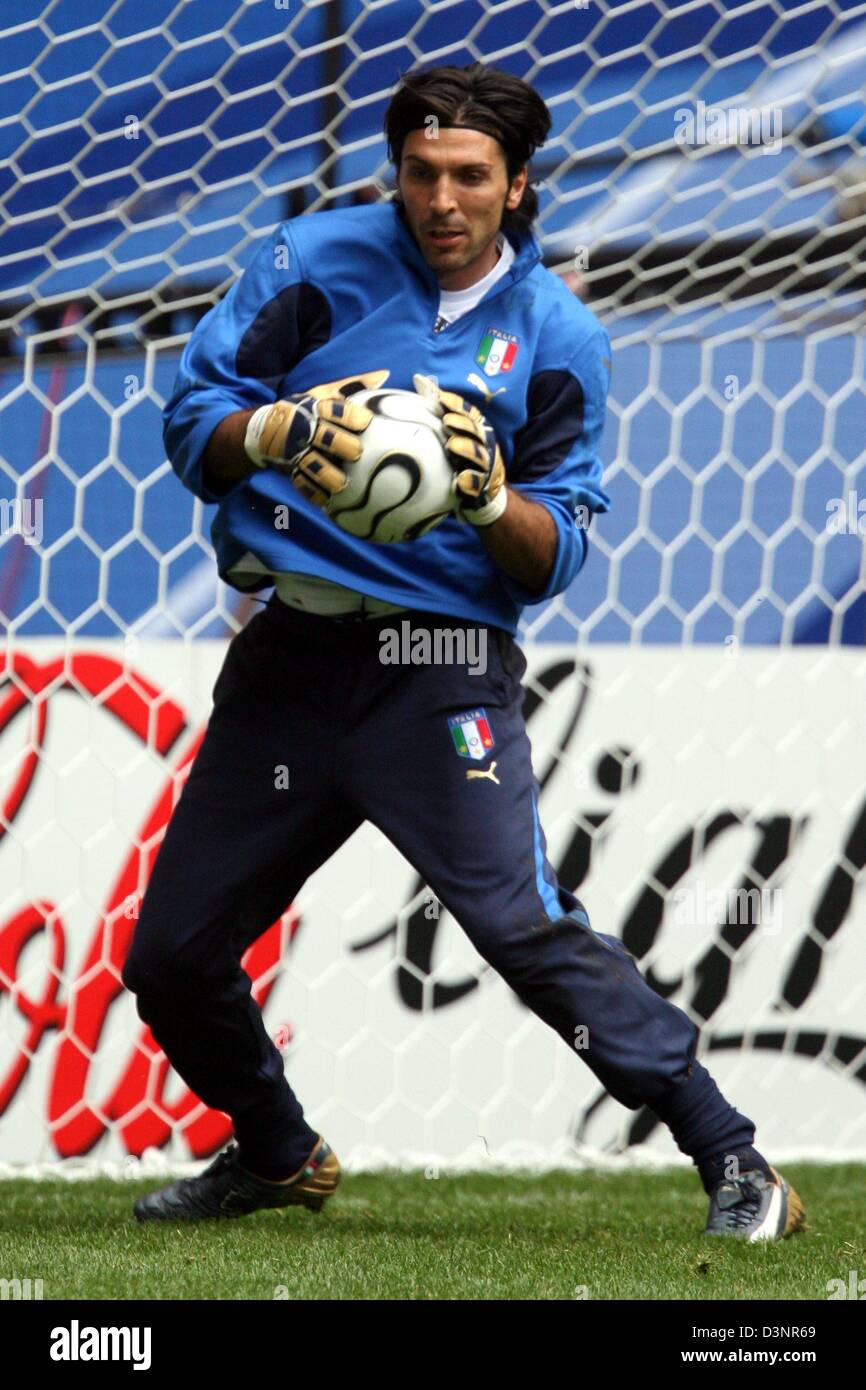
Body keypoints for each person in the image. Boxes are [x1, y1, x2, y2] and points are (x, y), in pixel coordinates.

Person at [123, 63, 804, 1240]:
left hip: (439, 673)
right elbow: (191, 426)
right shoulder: (308, 262)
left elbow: (554, 555)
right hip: (289, 661)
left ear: (517, 184)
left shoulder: (556, 334)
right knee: (171, 954)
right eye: (421, 174)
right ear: (396, 171)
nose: (442, 201)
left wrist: (489, 501)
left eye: (470, 179)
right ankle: (277, 1151)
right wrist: (277, 427)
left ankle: (733, 1157)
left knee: (517, 924)